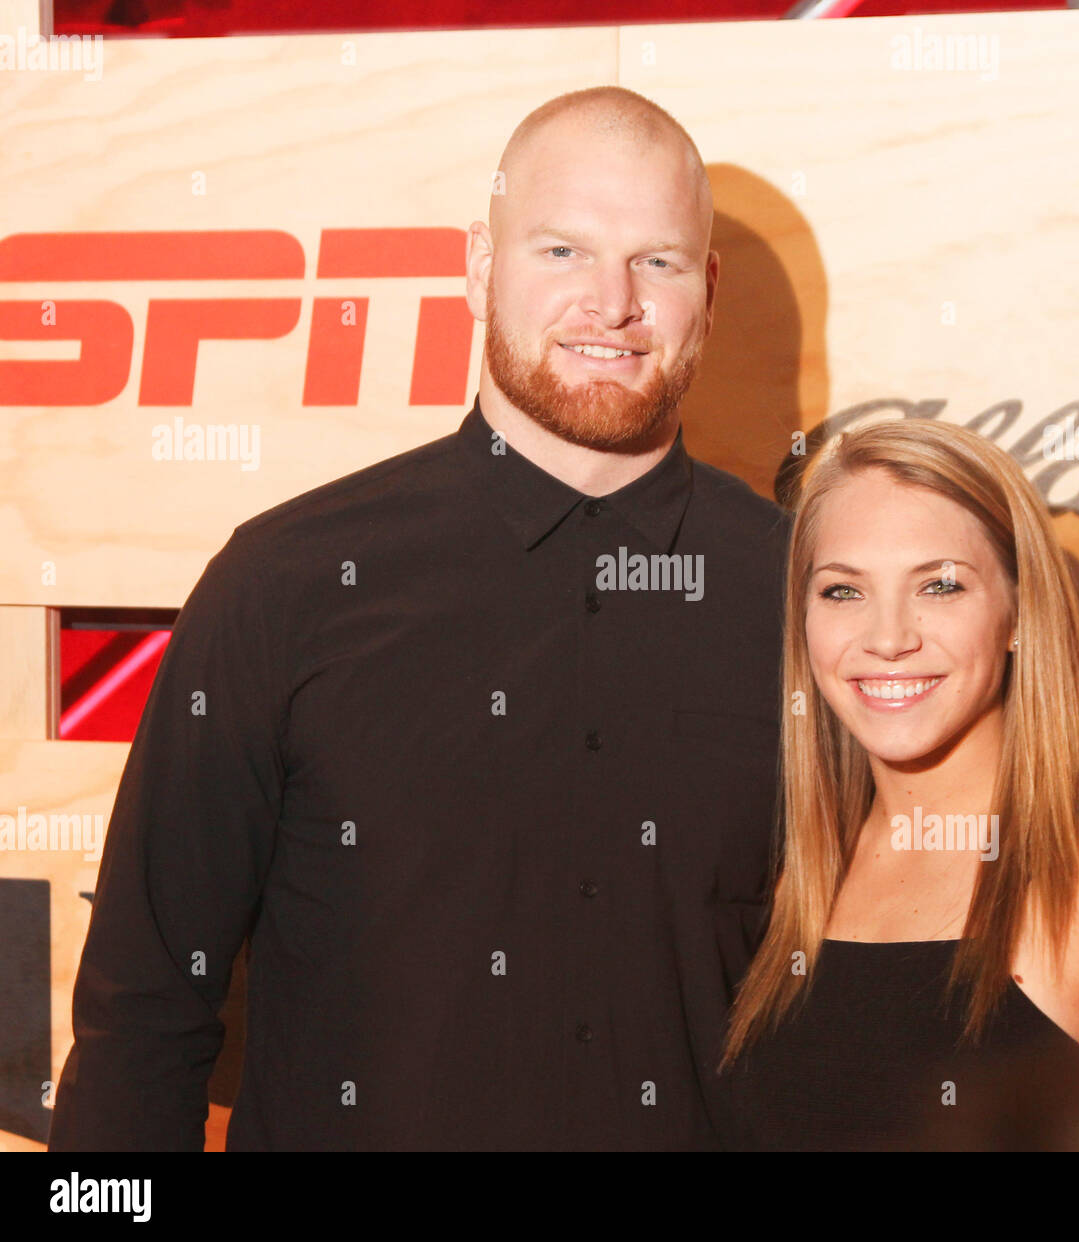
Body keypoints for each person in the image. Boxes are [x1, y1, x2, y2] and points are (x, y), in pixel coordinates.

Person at [48, 86, 791, 1151]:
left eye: (657, 263)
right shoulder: (287, 585)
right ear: (481, 271)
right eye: (561, 252)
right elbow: (141, 1020)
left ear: (706, 292)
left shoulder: (803, 597)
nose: (611, 303)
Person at [720, 416, 1079, 1151]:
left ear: (1018, 610)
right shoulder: (795, 871)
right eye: (842, 592)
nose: (889, 638)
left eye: (942, 586)